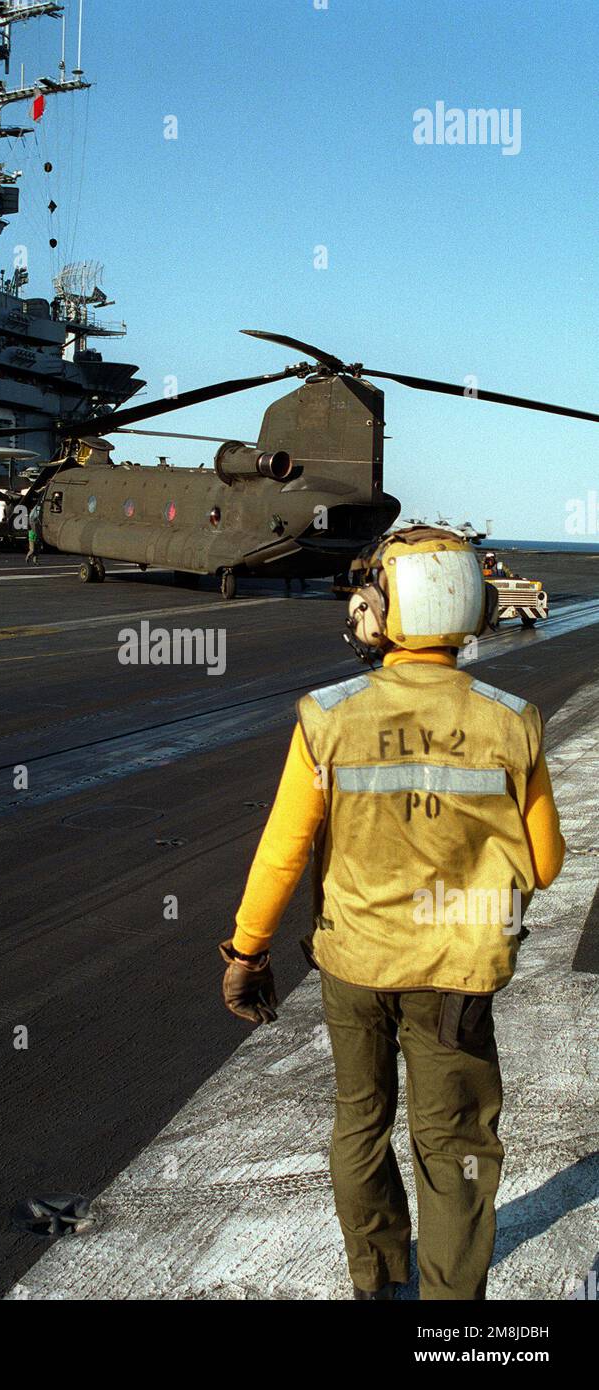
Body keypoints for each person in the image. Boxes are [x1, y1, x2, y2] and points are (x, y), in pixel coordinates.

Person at [220, 526, 565, 1302]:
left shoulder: (327, 716)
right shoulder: (512, 720)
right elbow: (543, 865)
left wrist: (247, 954)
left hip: (355, 966)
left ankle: (376, 1284)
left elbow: (280, 856)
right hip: (456, 976)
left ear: (379, 610)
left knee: (360, 1123)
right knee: (455, 1145)